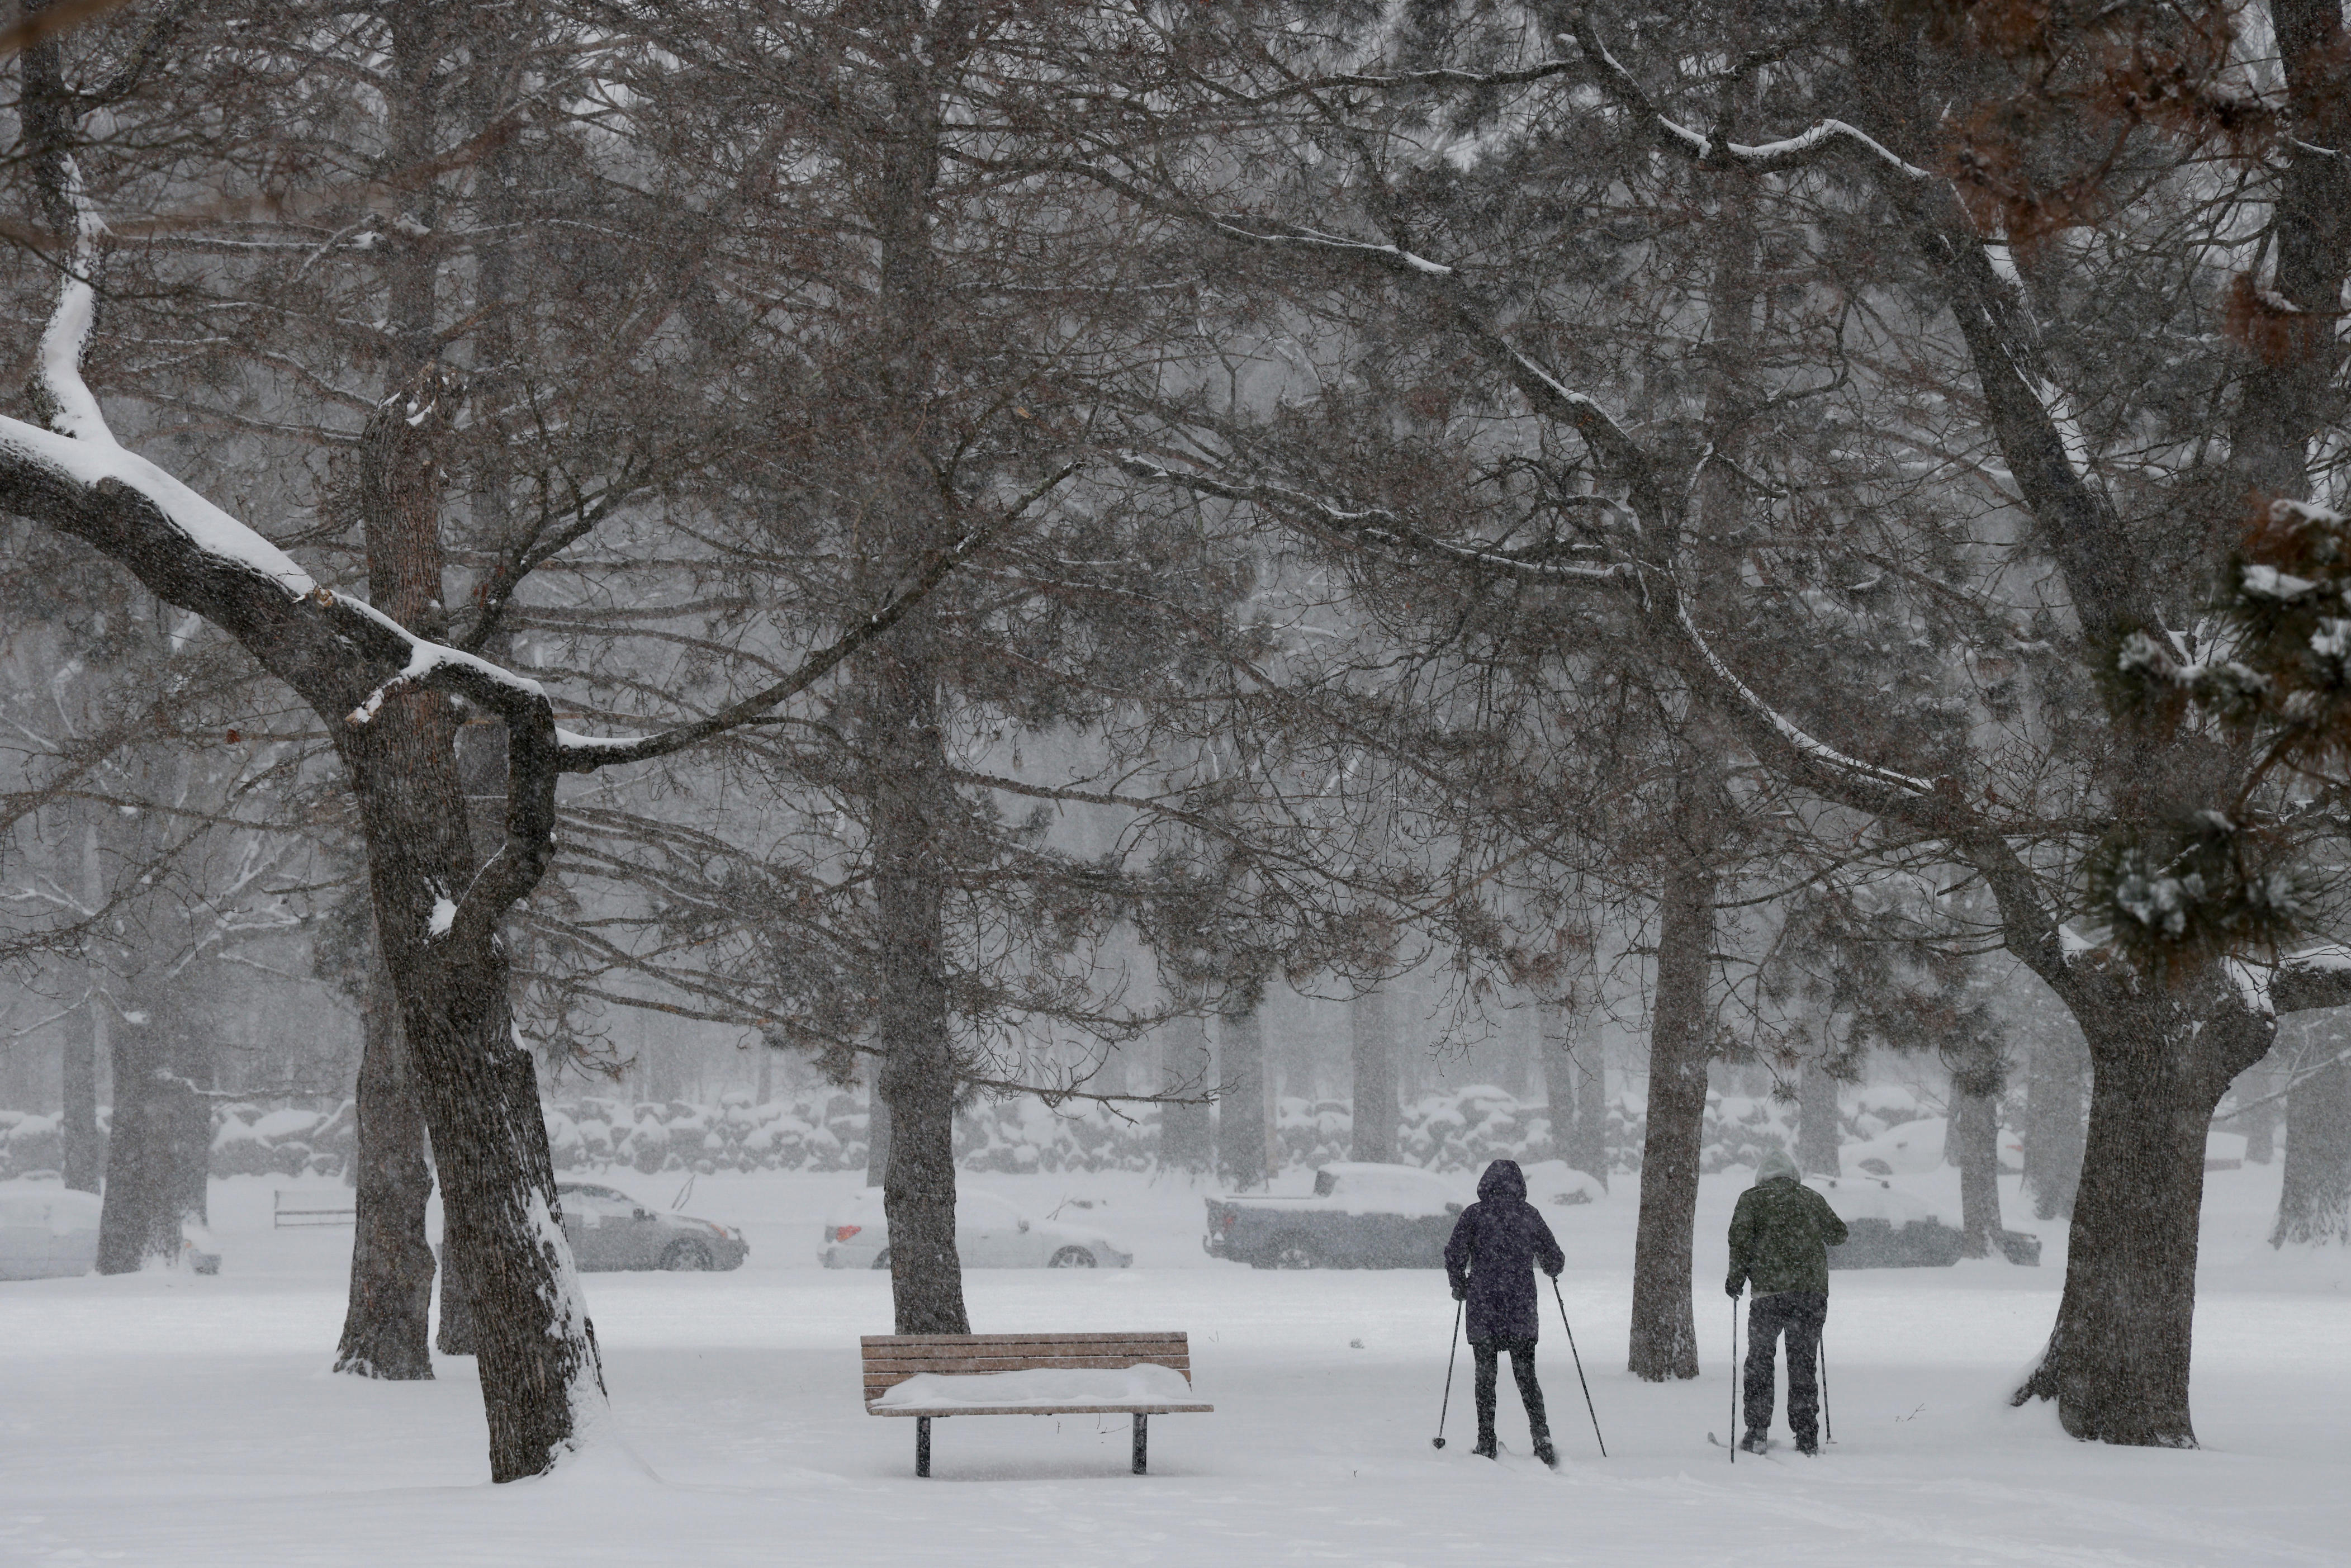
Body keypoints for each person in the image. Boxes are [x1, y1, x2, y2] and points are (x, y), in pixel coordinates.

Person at [1726, 1149, 1849, 1456]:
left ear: (1762, 1176)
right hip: (1810, 1294)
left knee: (1760, 1361)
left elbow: (1740, 1241)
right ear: (1793, 1174)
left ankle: (1757, 1431)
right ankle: (1806, 1434)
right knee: (1802, 1362)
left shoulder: (1752, 1199)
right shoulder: (1810, 1197)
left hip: (1769, 1294)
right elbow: (1839, 1234)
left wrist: (1736, 1280)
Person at [1444, 1158, 1566, 1466]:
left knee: (1485, 1376)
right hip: (1520, 1306)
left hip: (1484, 1304)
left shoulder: (1474, 1215)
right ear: (1519, 1186)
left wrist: (1460, 1285)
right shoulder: (1529, 1215)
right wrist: (1548, 1266)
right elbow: (1554, 1259)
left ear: (1485, 1185)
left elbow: (1453, 1254)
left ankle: (1486, 1440)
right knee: (1526, 1374)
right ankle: (1541, 1436)